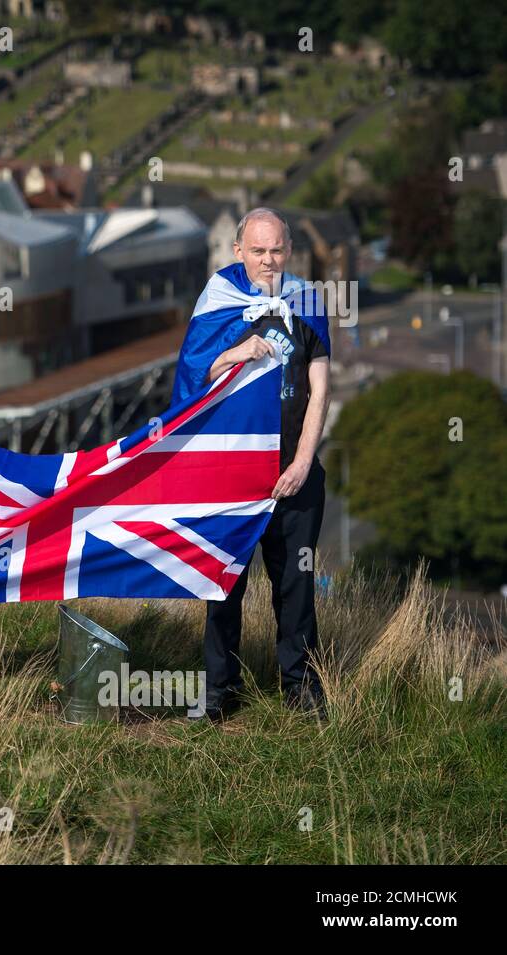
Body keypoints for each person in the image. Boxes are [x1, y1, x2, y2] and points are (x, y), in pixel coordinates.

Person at [185, 208, 331, 722]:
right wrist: (237, 351)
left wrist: (303, 461)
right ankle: (220, 691)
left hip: (294, 474)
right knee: (223, 587)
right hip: (230, 479)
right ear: (238, 250)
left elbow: (319, 389)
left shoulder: (309, 300)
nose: (267, 261)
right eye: (257, 250)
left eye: (276, 250)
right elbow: (190, 380)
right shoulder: (216, 303)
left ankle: (301, 691)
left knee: (295, 588)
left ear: (288, 249)